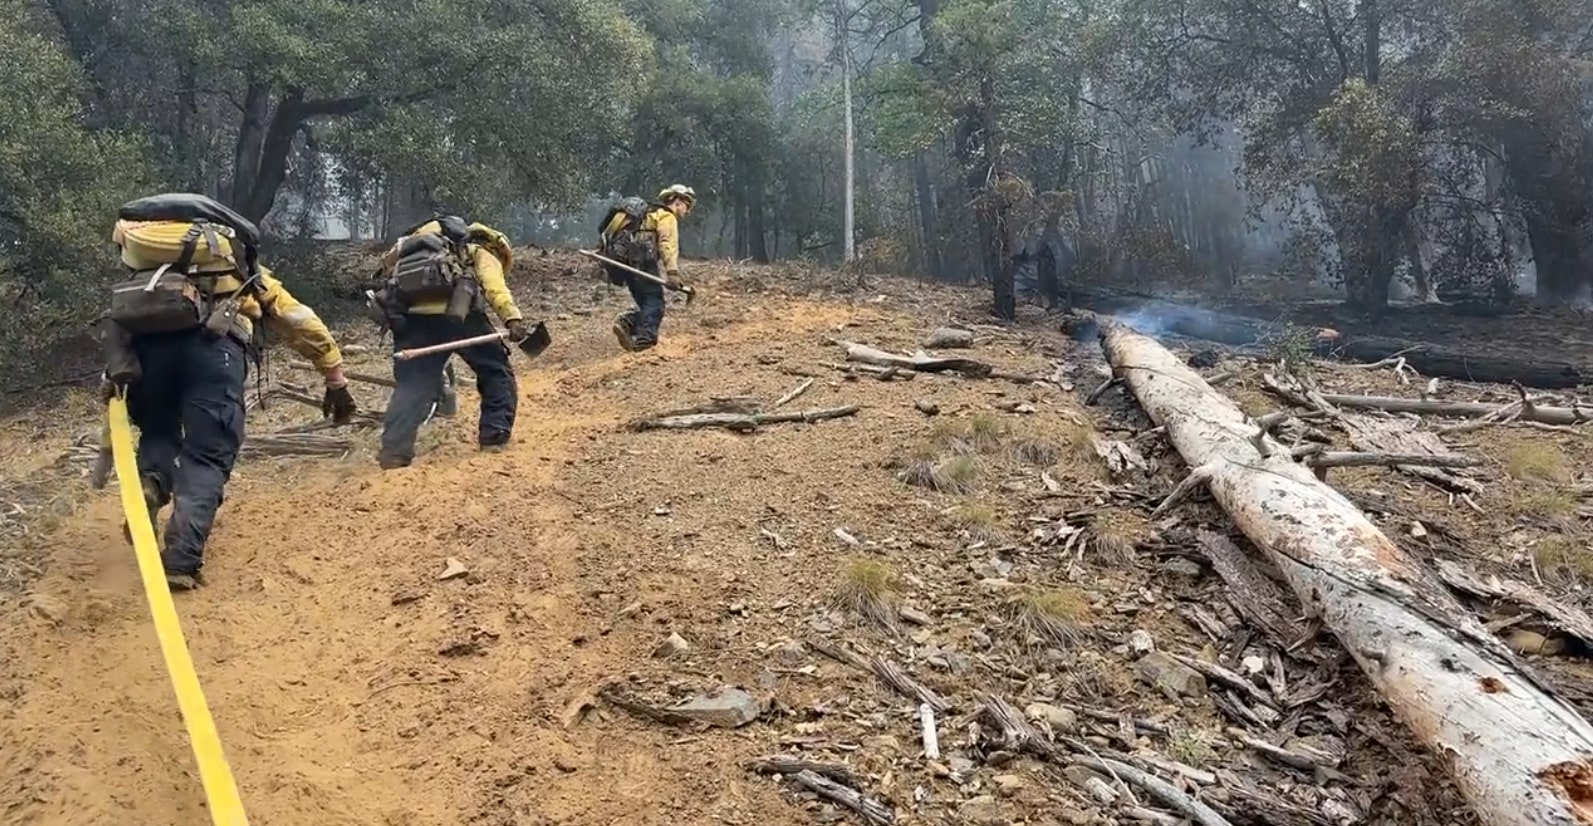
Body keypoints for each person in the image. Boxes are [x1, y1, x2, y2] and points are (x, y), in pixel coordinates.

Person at [101, 193, 355, 591]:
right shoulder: (240, 267)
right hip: (213, 356)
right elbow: (296, 319)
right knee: (207, 453)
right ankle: (180, 559)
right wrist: (333, 373)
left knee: (158, 431)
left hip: (147, 356)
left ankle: (152, 481)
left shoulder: (144, 266)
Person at [367, 216, 530, 469]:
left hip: (412, 321)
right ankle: (494, 434)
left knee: (412, 385)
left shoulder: (413, 248)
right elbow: (495, 286)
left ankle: (395, 452)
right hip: (460, 316)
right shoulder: (478, 251)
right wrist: (512, 319)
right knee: (495, 369)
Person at [597, 185, 696, 351]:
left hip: (625, 264)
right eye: (687, 205)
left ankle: (627, 323)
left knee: (646, 303)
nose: (687, 211)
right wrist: (672, 273)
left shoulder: (646, 214)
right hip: (643, 262)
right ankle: (644, 341)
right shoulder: (666, 216)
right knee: (655, 303)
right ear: (677, 201)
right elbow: (666, 245)